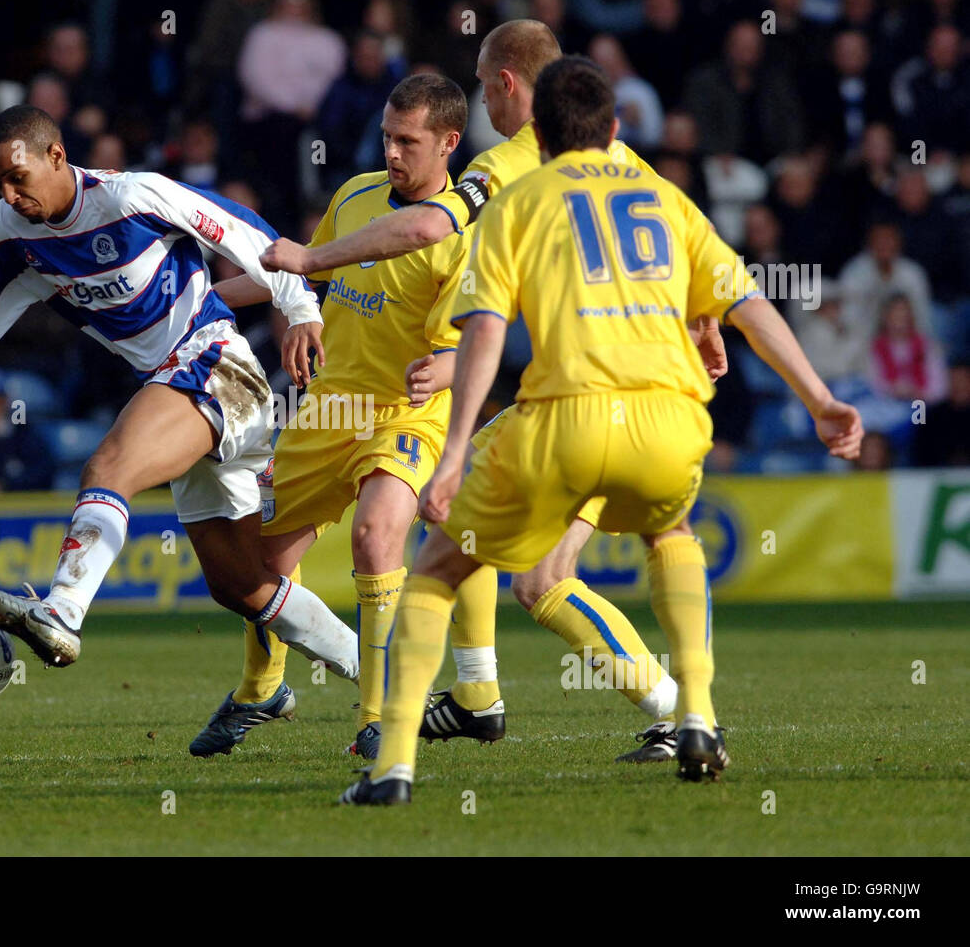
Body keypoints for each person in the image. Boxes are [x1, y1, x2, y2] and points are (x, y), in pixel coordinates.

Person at [341, 57, 863, 804]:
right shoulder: (665, 199)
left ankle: (393, 766)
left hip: (565, 420)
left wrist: (453, 452)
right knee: (673, 533)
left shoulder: (518, 202)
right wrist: (819, 399)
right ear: (617, 130)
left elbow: (484, 331)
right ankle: (697, 717)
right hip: (672, 422)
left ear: (539, 136)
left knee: (435, 571)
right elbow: (748, 303)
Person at [260, 19, 698, 762]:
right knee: (504, 546)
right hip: (656, 401)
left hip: (587, 402)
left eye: (481, 83)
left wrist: (310, 257)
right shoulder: (624, 164)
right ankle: (500, 700)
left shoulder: (512, 161)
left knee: (521, 562)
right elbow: (692, 251)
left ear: (504, 85)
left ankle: (645, 711)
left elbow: (430, 227)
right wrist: (707, 322)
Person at [0, 106, 359, 692]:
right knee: (241, 584)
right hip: (174, 391)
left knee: (109, 466)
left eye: (18, 179)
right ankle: (387, 678)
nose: (10, 196)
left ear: (57, 156)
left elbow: (237, 226)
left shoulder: (132, 196)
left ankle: (63, 610)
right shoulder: (9, 233)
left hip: (217, 366)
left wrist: (299, 309)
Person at [186, 74, 491, 759]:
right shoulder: (354, 195)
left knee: (376, 538)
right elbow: (298, 273)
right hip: (327, 411)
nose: (392, 151)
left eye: (407, 141)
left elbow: (474, 343)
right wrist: (203, 301)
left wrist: (439, 369)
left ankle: (378, 717)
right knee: (257, 565)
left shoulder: (461, 238)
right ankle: (261, 691)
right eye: (387, 136)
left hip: (402, 417)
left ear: (448, 143)